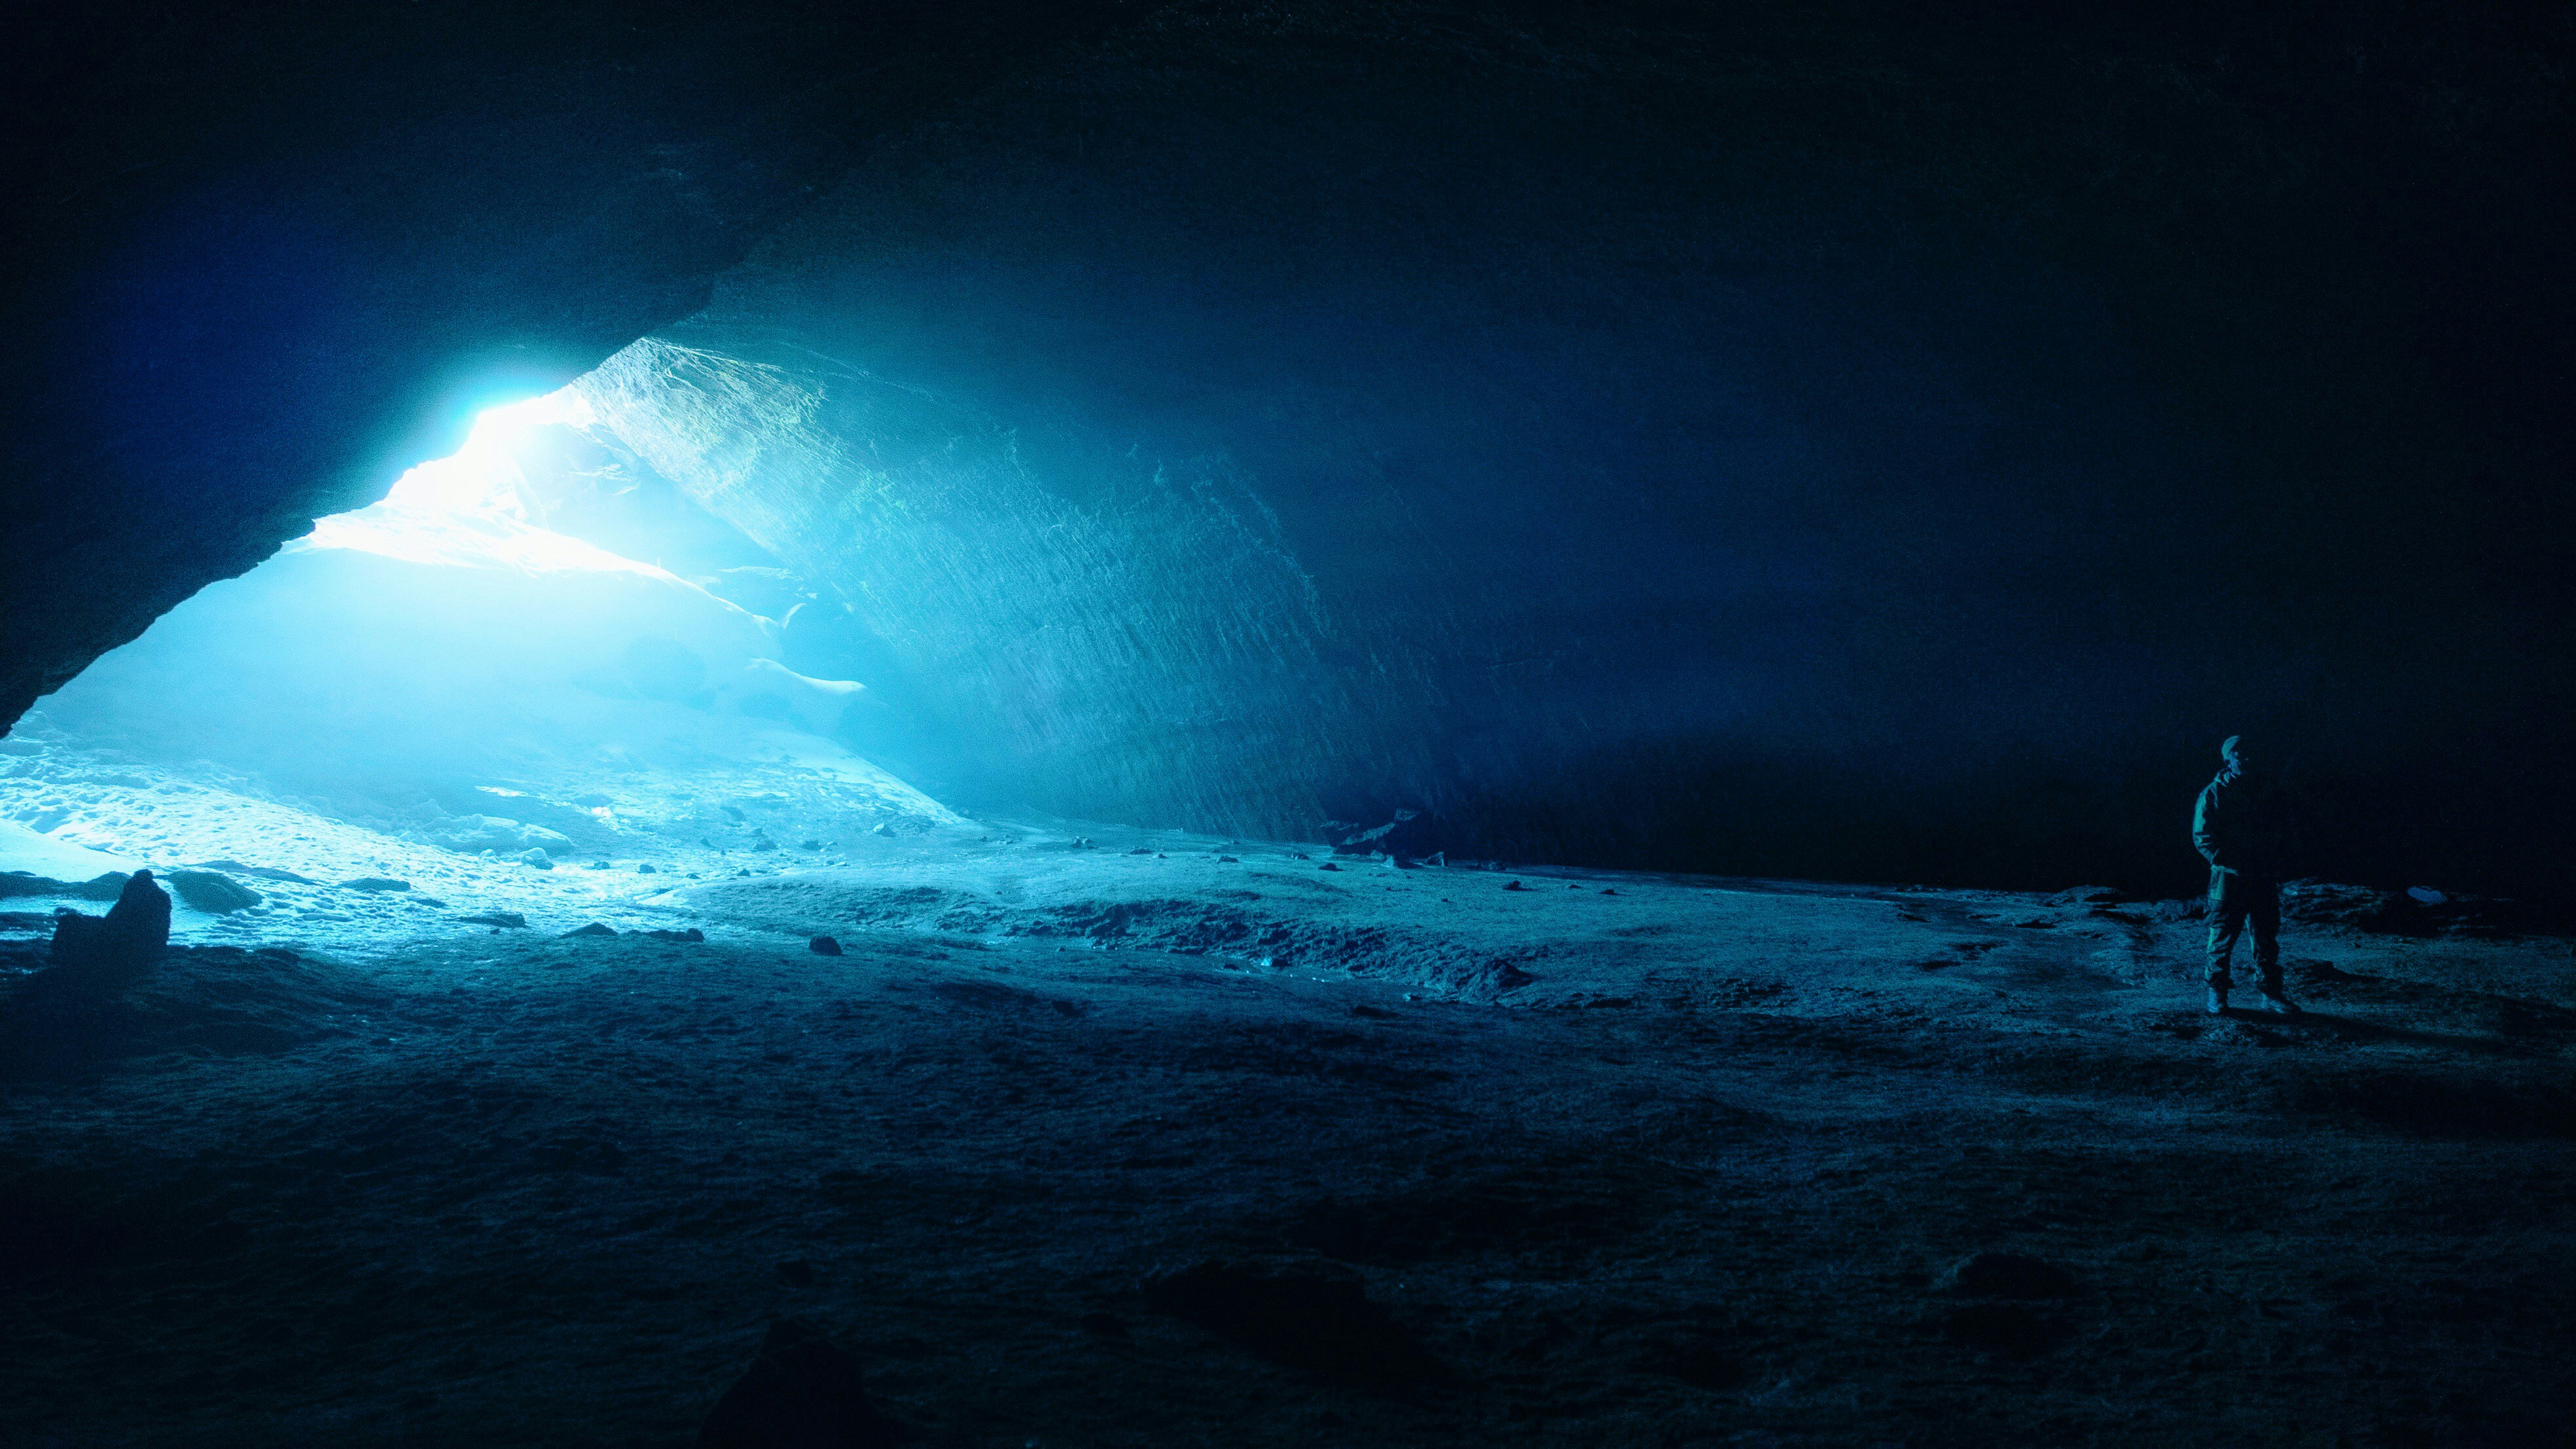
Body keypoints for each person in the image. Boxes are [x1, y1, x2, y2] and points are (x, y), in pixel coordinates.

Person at [2192, 736, 2299, 1016]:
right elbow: (2203, 836)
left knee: (2266, 937)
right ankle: (2217, 995)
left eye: (2249, 753)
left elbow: (2284, 829)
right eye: (2238, 754)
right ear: (2228, 758)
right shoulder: (2214, 793)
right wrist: (2229, 861)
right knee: (2221, 935)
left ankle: (2271, 994)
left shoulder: (2269, 791)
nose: (2245, 758)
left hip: (2262, 875)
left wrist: (2275, 859)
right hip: (2229, 878)